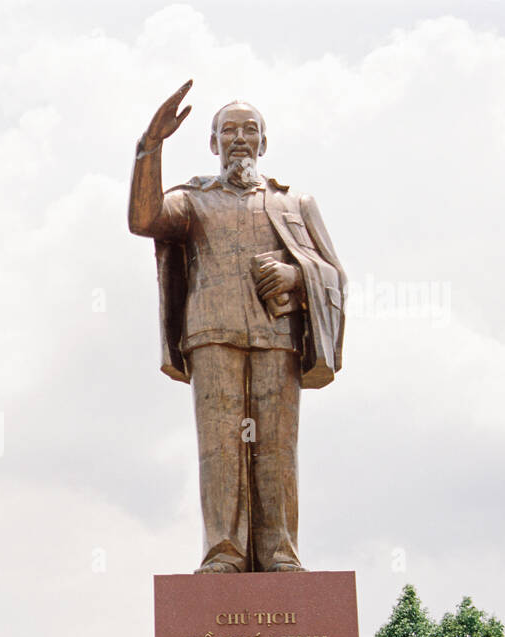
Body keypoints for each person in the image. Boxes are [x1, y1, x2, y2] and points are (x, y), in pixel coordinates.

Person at [128, 80, 347, 573]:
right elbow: (145, 219)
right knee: (220, 450)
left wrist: (297, 274)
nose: (241, 138)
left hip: (277, 338)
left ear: (265, 143)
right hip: (212, 336)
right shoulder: (194, 200)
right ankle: (223, 553)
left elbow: (334, 272)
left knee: (276, 450)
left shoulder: (295, 204)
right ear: (213, 144)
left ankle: (279, 553)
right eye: (229, 130)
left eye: (251, 130)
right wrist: (151, 147)